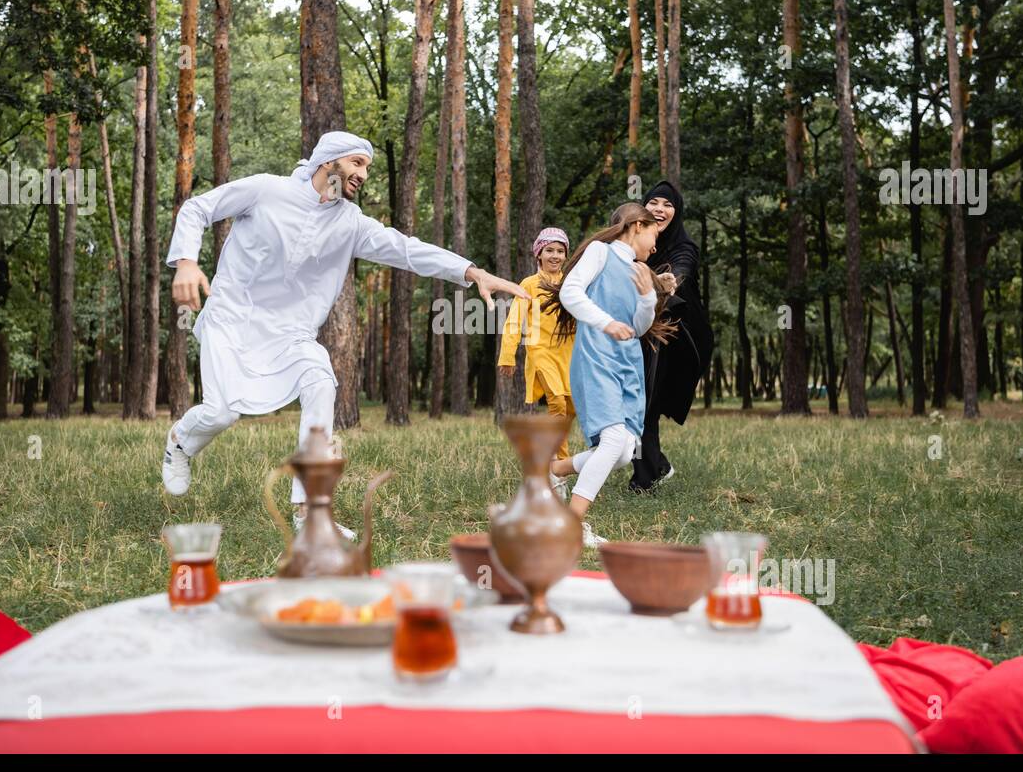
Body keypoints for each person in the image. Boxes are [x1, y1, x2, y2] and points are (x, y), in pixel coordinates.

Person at [162, 131, 526, 534]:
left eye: (367, 167)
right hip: (231, 319)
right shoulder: (267, 190)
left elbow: (407, 249)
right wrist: (185, 263)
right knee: (221, 411)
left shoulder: (351, 223)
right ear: (328, 162)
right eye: (357, 163)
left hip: (291, 334)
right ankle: (181, 440)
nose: (363, 174)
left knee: (320, 379)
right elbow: (198, 208)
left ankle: (309, 513)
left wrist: (472, 272)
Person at [541, 204, 677, 546]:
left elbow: (639, 327)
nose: (656, 246)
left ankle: (554, 471)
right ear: (636, 225)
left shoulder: (639, 269)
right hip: (596, 358)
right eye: (653, 235)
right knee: (614, 440)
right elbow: (571, 292)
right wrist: (605, 322)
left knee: (625, 449)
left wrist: (649, 295)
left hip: (628, 365)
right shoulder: (600, 253)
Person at [628, 180, 712, 492]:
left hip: (676, 337)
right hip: (640, 332)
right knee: (639, 401)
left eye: (668, 205)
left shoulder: (683, 246)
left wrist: (667, 281)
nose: (660, 209)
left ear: (676, 213)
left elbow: (682, 271)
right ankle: (656, 466)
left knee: (646, 401)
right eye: (654, 203)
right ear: (643, 208)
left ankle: (646, 476)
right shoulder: (633, 243)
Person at [497, 228, 576, 485]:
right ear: (539, 254)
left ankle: (554, 456)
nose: (555, 256)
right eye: (549, 250)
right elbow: (513, 321)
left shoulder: (572, 282)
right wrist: (507, 356)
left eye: (560, 251)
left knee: (571, 407)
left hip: (570, 353)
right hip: (540, 352)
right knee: (557, 404)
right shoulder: (528, 284)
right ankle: (557, 468)